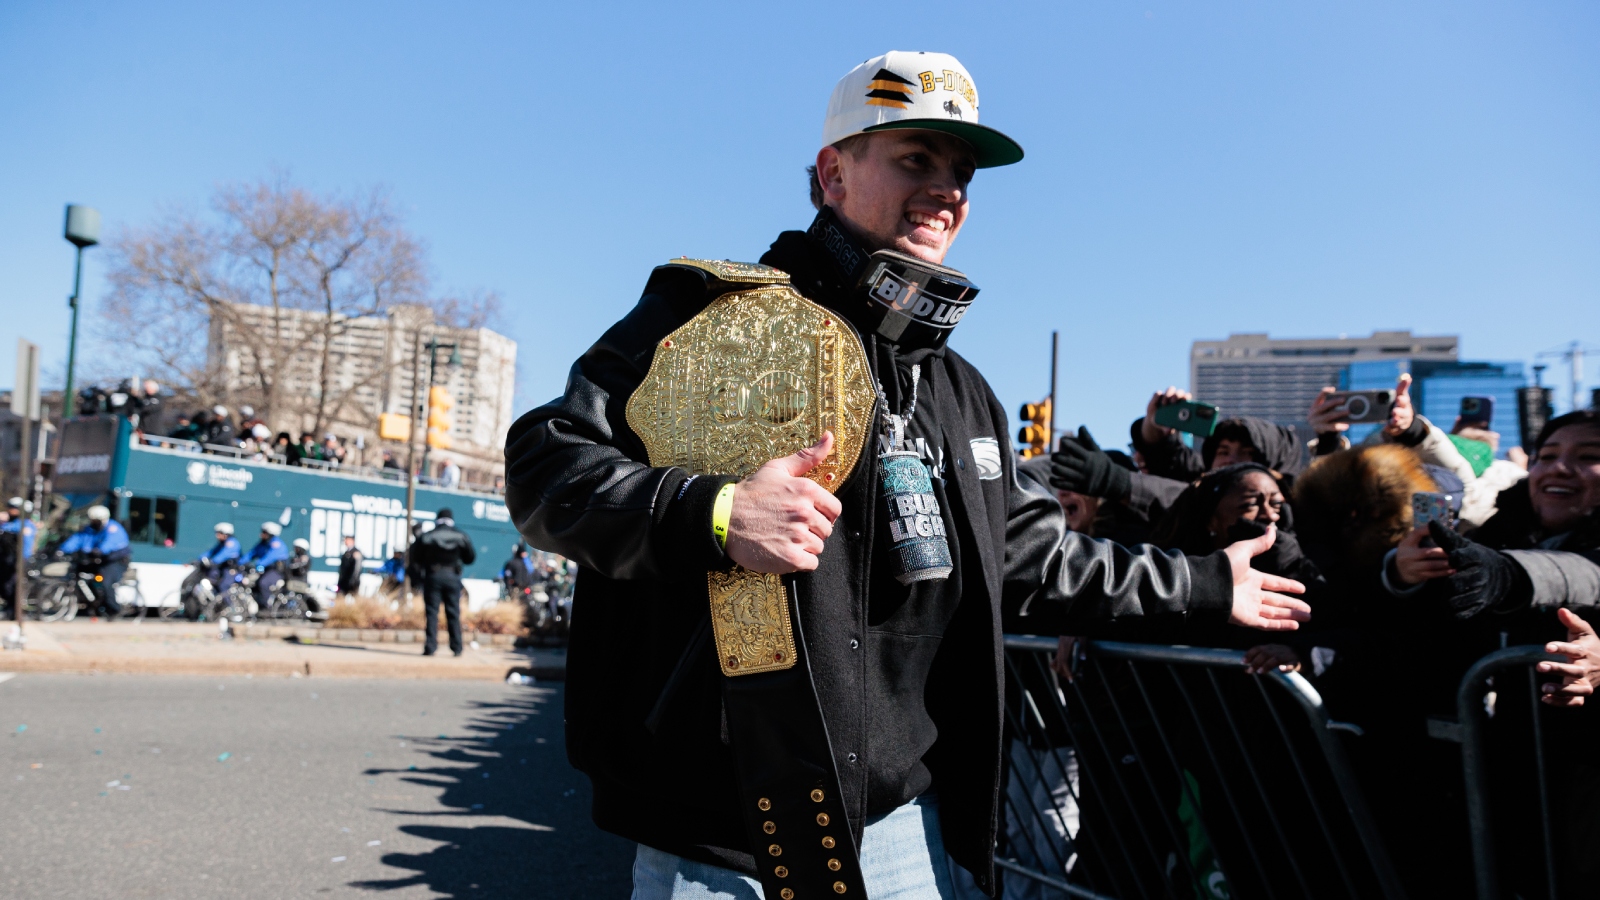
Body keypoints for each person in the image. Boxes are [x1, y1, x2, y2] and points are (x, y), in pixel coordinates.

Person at [503, 51, 1308, 900]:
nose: (948, 189)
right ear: (832, 173)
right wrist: (717, 512)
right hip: (726, 836)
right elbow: (545, 466)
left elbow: (1031, 554)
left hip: (906, 834)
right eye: (915, 159)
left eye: (961, 171)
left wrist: (1203, 584)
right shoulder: (706, 318)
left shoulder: (962, 391)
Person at [409, 507, 476, 656]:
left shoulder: (428, 536)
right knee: (453, 612)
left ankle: (430, 647)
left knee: (432, 613)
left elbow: (415, 556)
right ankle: (457, 647)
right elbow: (470, 557)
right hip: (453, 576)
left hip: (433, 576)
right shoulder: (461, 535)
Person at [59, 504, 131, 615]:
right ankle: (91, 599)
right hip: (97, 559)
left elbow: (110, 543)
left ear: (102, 519)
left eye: (95, 520)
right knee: (77, 571)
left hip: (114, 561)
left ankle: (114, 609)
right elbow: (78, 539)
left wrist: (99, 550)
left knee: (106, 583)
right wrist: (62, 549)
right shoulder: (90, 529)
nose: (92, 522)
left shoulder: (113, 528)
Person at [241, 522, 289, 614]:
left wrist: (257, 565)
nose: (261, 534)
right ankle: (258, 605)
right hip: (266, 571)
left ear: (270, 534)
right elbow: (251, 553)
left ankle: (266, 607)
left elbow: (269, 558)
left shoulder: (277, 544)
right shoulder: (262, 544)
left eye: (264, 532)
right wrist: (240, 563)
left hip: (277, 572)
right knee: (252, 584)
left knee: (264, 583)